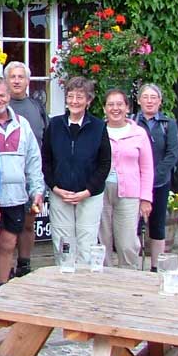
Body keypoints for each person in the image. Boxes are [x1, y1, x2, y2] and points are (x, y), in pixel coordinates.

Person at [41, 76, 111, 266]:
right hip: (60, 195)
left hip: (89, 195)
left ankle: (84, 286)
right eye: (70, 96)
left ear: (89, 100)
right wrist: (55, 187)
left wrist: (87, 191)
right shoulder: (54, 125)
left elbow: (104, 164)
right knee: (63, 243)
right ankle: (64, 284)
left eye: (80, 97)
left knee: (86, 244)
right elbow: (46, 161)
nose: (74, 101)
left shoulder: (98, 127)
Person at [0, 77, 45, 283]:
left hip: (16, 196)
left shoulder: (22, 124)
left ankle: (1, 288)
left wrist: (37, 189)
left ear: (9, 96)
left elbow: (33, 160)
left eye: (1, 95)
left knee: (9, 244)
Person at [100, 88, 154, 268]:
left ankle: (130, 278)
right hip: (100, 192)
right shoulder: (97, 131)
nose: (115, 109)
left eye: (119, 104)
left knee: (128, 242)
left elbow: (147, 168)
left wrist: (146, 198)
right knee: (102, 241)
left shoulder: (139, 133)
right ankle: (103, 281)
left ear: (127, 107)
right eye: (110, 105)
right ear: (104, 109)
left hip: (129, 193)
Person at [4, 61, 48, 276]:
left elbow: (44, 140)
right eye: (13, 77)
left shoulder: (36, 107)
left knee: (28, 224)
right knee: (7, 229)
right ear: (6, 81)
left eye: (21, 77)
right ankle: (6, 267)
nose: (17, 81)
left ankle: (24, 263)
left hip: (31, 176)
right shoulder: (1, 108)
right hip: (7, 179)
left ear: (28, 81)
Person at [134, 83, 178, 270]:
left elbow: (172, 154)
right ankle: (135, 266)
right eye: (145, 97)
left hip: (159, 182)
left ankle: (156, 267)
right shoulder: (132, 123)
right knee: (134, 226)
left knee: (157, 224)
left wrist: (153, 176)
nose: (149, 101)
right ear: (138, 101)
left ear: (160, 101)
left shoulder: (168, 124)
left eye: (154, 97)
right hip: (135, 183)